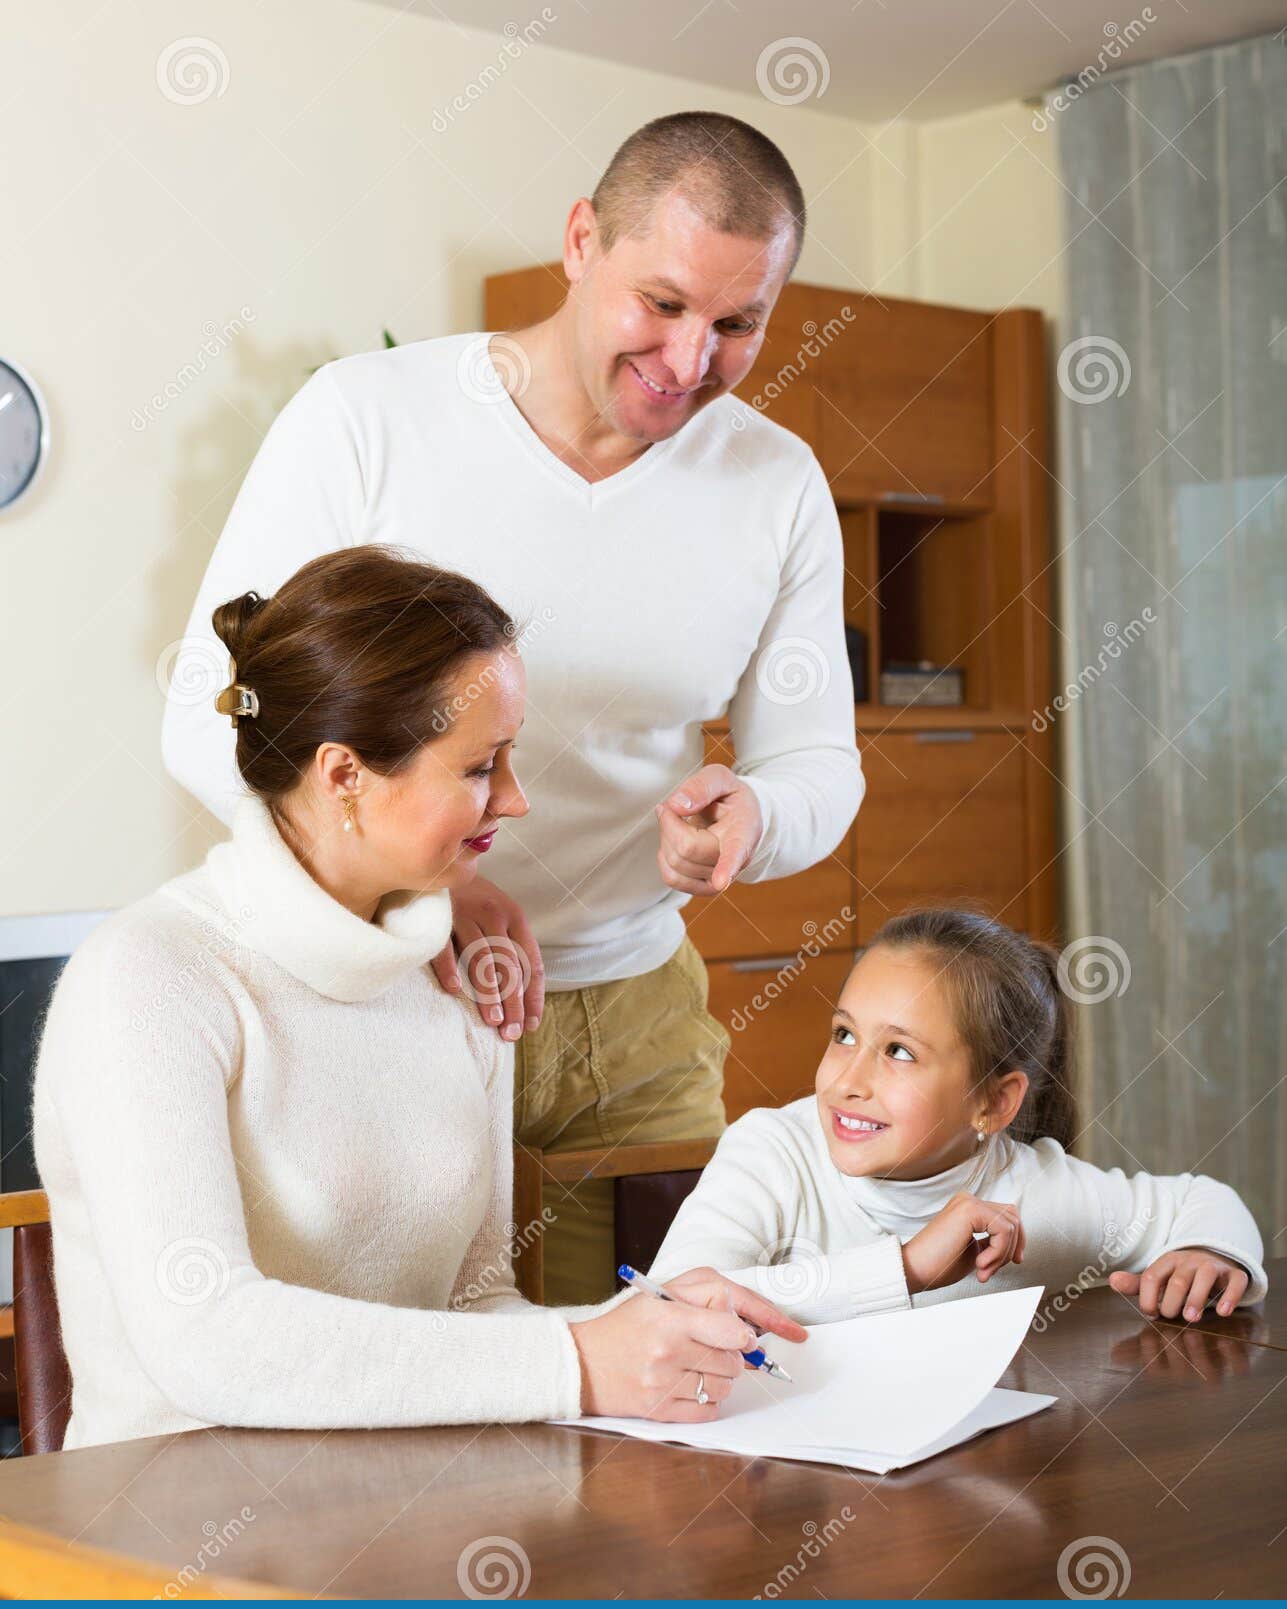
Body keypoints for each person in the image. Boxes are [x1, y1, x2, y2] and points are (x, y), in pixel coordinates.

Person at [161, 111, 864, 1302]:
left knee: (667, 1374)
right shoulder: (367, 419)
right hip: (385, 997)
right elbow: (206, 713)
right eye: (664, 303)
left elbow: (819, 766)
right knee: (411, 1389)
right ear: (582, 240)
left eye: (739, 323)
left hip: (638, 1023)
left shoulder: (775, 485)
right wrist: (426, 887)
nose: (691, 361)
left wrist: (752, 812)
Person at [33, 546, 805, 1451]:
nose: (515, 801)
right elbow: (205, 1341)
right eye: (481, 766)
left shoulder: (457, 969)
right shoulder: (150, 978)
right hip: (174, 1547)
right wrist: (580, 1359)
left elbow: (474, 1302)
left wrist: (650, 1333)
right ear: (344, 773)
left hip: (404, 1505)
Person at [650, 906, 1267, 1324]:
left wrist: (1209, 1252)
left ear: (994, 1103)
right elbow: (675, 1300)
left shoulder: (1035, 1192)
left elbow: (1204, 1201)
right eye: (843, 1035)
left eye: (898, 1052)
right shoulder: (772, 1153)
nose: (847, 1080)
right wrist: (910, 1267)